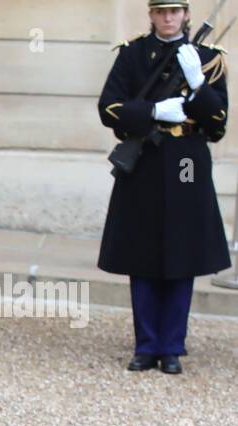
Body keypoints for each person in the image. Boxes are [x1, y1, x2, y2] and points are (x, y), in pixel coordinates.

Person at [98, 0, 230, 374]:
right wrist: (154, 112)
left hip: (186, 160)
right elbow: (109, 108)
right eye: (161, 12)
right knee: (142, 252)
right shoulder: (133, 54)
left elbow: (218, 123)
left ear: (187, 14)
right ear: (151, 15)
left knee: (181, 251)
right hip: (145, 160)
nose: (168, 18)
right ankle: (146, 345)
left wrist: (200, 84)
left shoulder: (207, 57)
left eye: (175, 12)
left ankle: (172, 346)